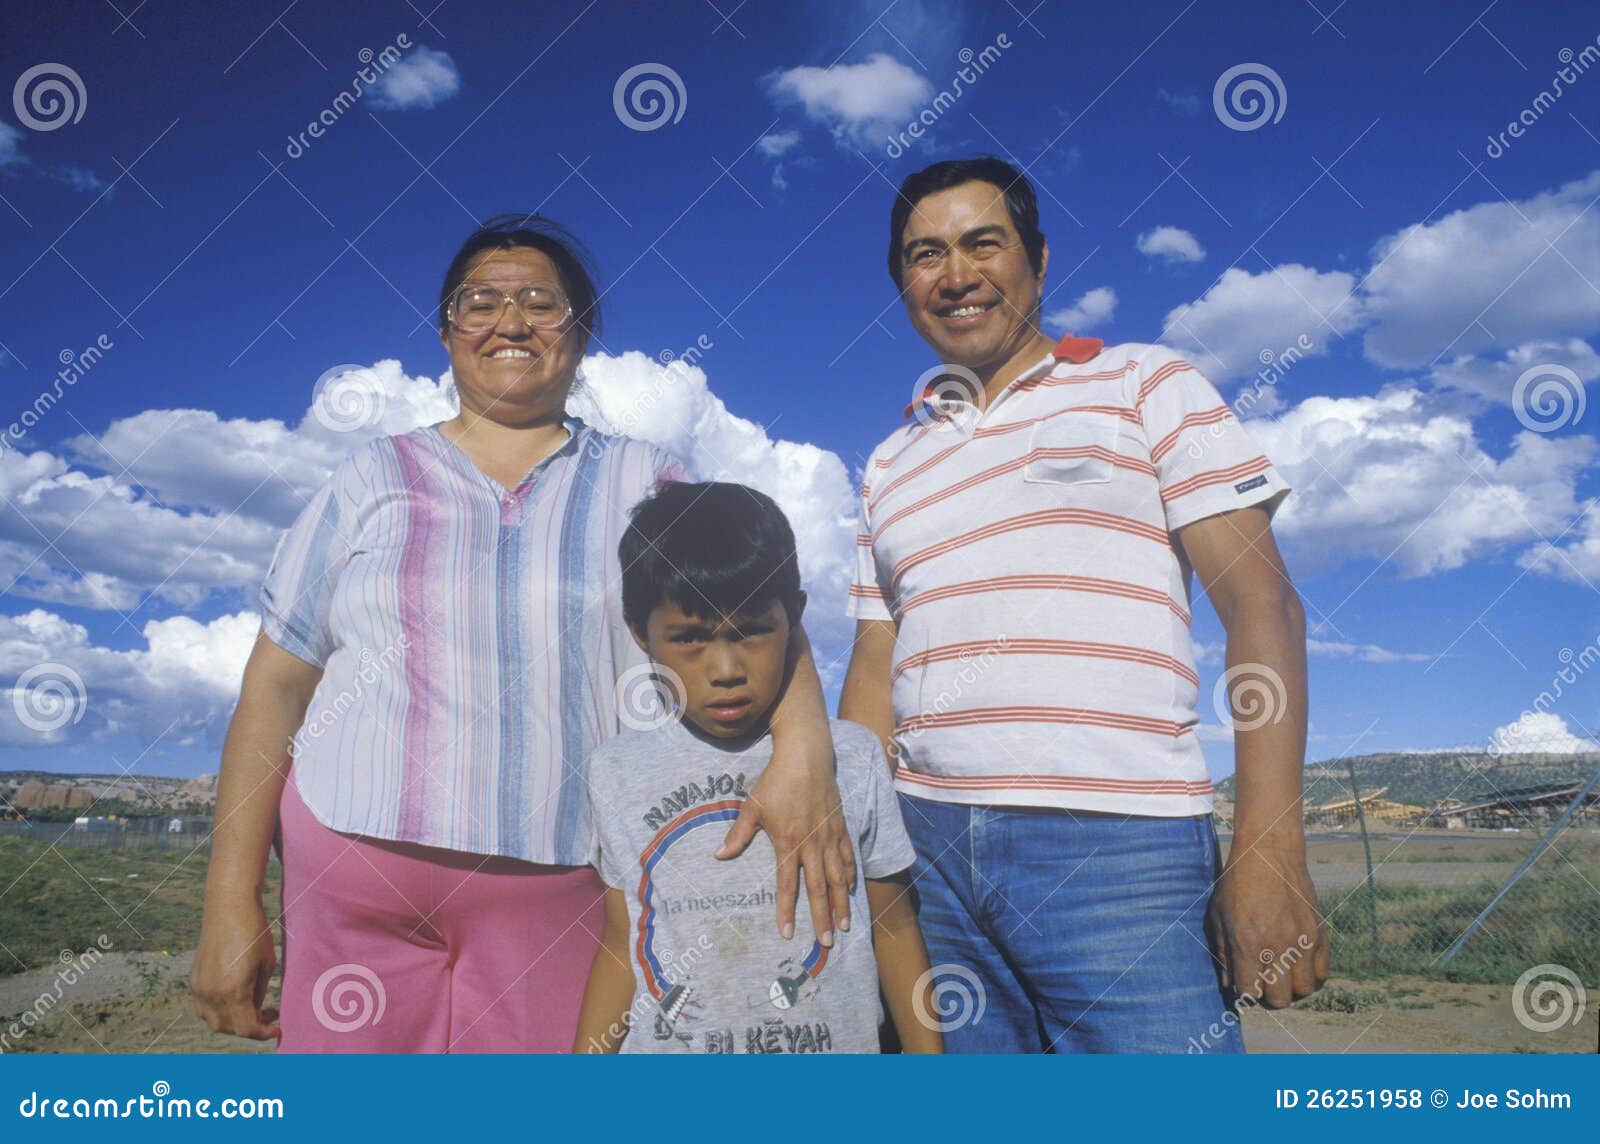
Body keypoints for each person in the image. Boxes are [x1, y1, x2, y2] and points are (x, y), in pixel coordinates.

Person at [191, 214, 856, 1053]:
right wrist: (229, 901)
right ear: (446, 331)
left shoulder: (641, 478)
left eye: (541, 303)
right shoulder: (371, 477)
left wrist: (806, 752)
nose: (510, 322)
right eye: (481, 303)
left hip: (562, 882)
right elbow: (275, 687)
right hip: (348, 875)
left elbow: (755, 612)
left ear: (579, 334)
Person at [839, 157, 1328, 1053]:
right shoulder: (887, 464)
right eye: (925, 254)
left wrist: (1268, 848)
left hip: (1119, 847)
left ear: (1039, 259)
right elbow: (877, 665)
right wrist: (857, 846)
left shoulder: (1147, 385)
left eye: (983, 243)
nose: (955, 276)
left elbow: (1264, 609)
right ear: (902, 282)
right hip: (927, 853)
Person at [574, 481, 940, 1054]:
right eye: (690, 638)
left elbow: (894, 927)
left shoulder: (856, 759)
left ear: (794, 616)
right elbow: (623, 943)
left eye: (750, 631)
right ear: (640, 632)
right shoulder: (613, 774)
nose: (725, 668)